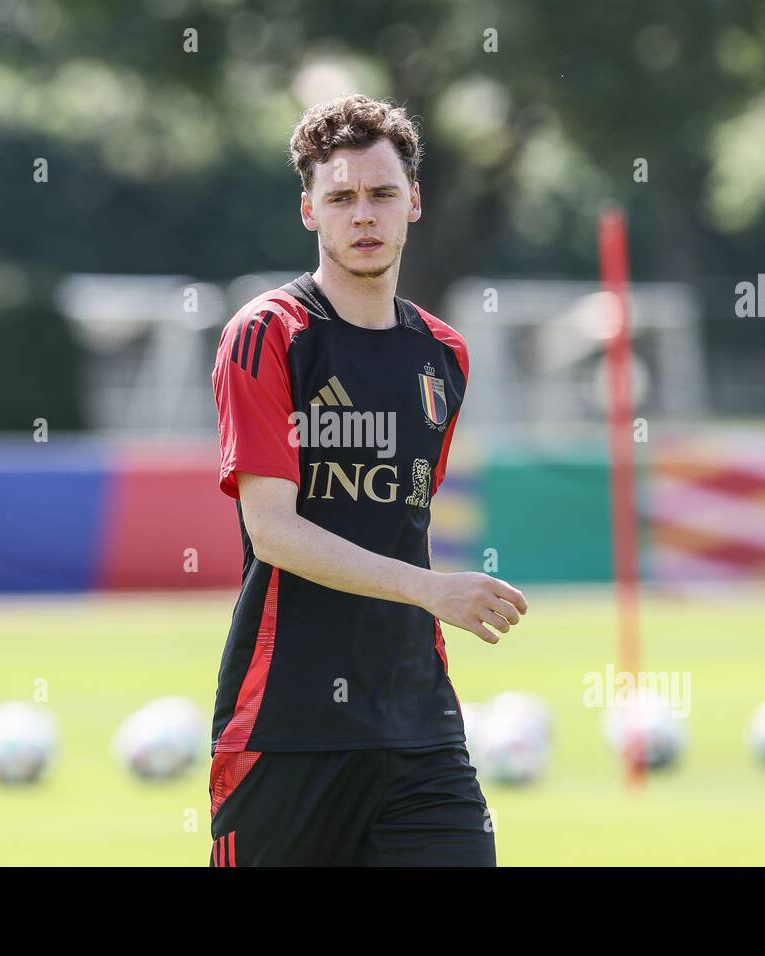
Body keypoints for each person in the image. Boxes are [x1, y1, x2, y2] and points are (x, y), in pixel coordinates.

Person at [207, 94, 528, 866]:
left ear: (413, 201)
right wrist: (430, 590)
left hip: (418, 724)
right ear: (309, 210)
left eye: (382, 194)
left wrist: (426, 600)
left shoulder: (444, 356)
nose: (364, 215)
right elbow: (273, 532)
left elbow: (399, 521)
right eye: (341, 197)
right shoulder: (268, 335)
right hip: (287, 724)